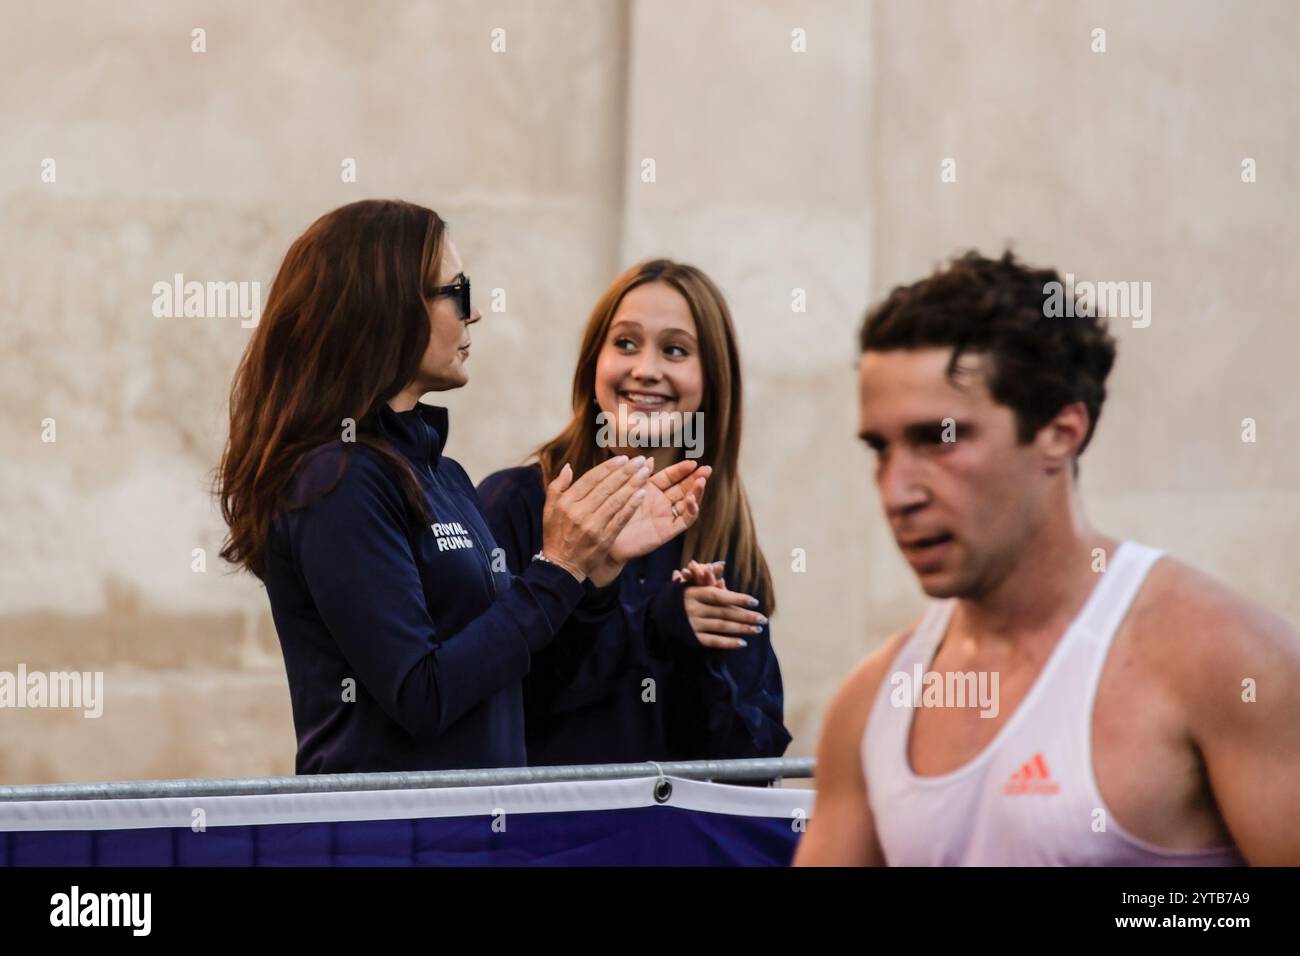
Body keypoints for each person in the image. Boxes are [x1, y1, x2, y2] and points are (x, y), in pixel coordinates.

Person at [795, 250, 1300, 865]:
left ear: (1060, 433)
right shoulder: (873, 700)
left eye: (939, 439)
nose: (897, 492)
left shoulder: (1226, 659)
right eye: (881, 448)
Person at [215, 200, 707, 774]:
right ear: (388, 306)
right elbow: (421, 695)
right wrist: (559, 567)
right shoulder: (336, 479)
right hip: (393, 824)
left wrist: (592, 573)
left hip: (479, 820)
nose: (475, 313)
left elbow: (512, 678)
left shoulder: (442, 474)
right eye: (457, 291)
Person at [478, 259, 790, 765]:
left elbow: (752, 759)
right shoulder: (516, 502)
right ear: (593, 362)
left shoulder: (723, 532)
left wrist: (698, 657)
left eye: (675, 350)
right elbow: (492, 705)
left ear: (713, 378)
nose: (645, 369)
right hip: (545, 817)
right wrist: (647, 624)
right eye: (625, 343)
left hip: (672, 819)